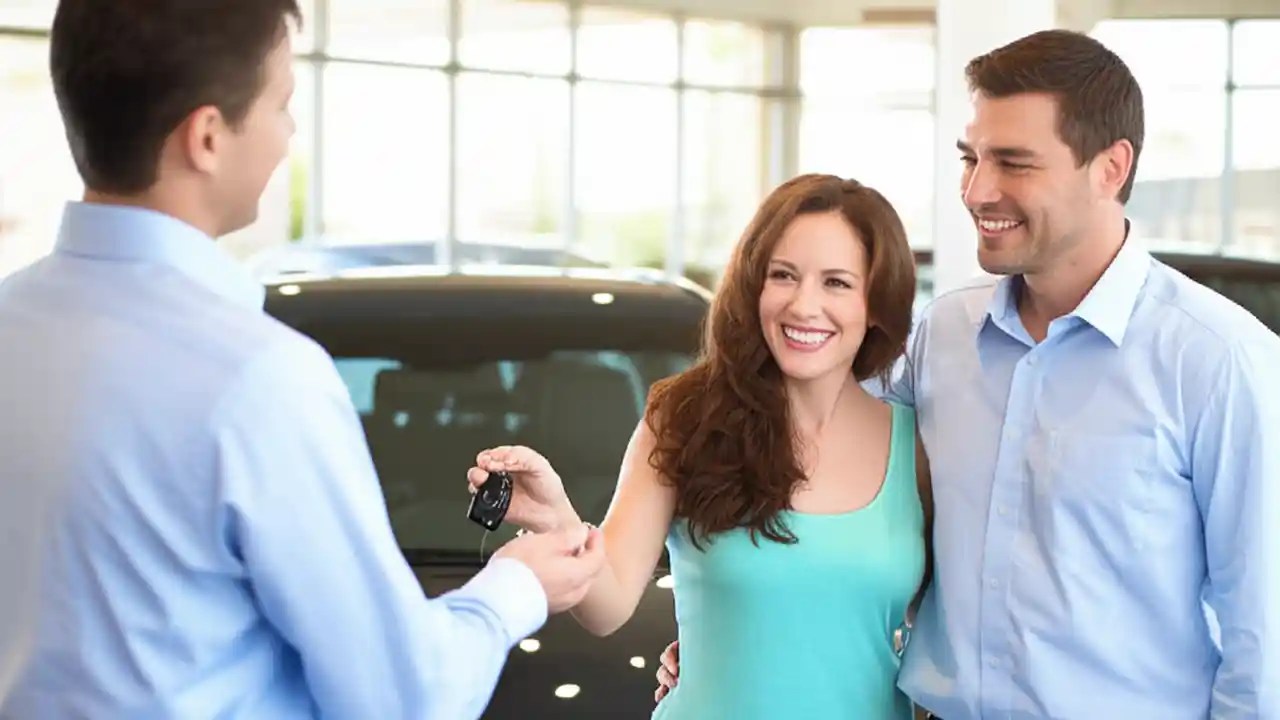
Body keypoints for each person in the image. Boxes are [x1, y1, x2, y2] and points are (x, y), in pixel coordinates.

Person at [0, 2, 604, 718]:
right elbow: (403, 700)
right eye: (281, 104)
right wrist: (516, 587)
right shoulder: (254, 377)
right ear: (206, 137)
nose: (289, 134)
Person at [656, 29, 1280, 718]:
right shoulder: (941, 336)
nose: (978, 190)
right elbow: (832, 498)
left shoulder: (1219, 362)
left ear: (1110, 168)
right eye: (970, 158)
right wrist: (741, 635)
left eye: (1013, 163)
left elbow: (1264, 647)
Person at [468, 173, 928, 719]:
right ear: (754, 286)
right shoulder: (686, 421)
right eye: (783, 275)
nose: (804, 305)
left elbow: (947, 642)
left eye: (837, 283)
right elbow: (607, 605)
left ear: (876, 303)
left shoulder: (918, 447)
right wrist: (557, 520)